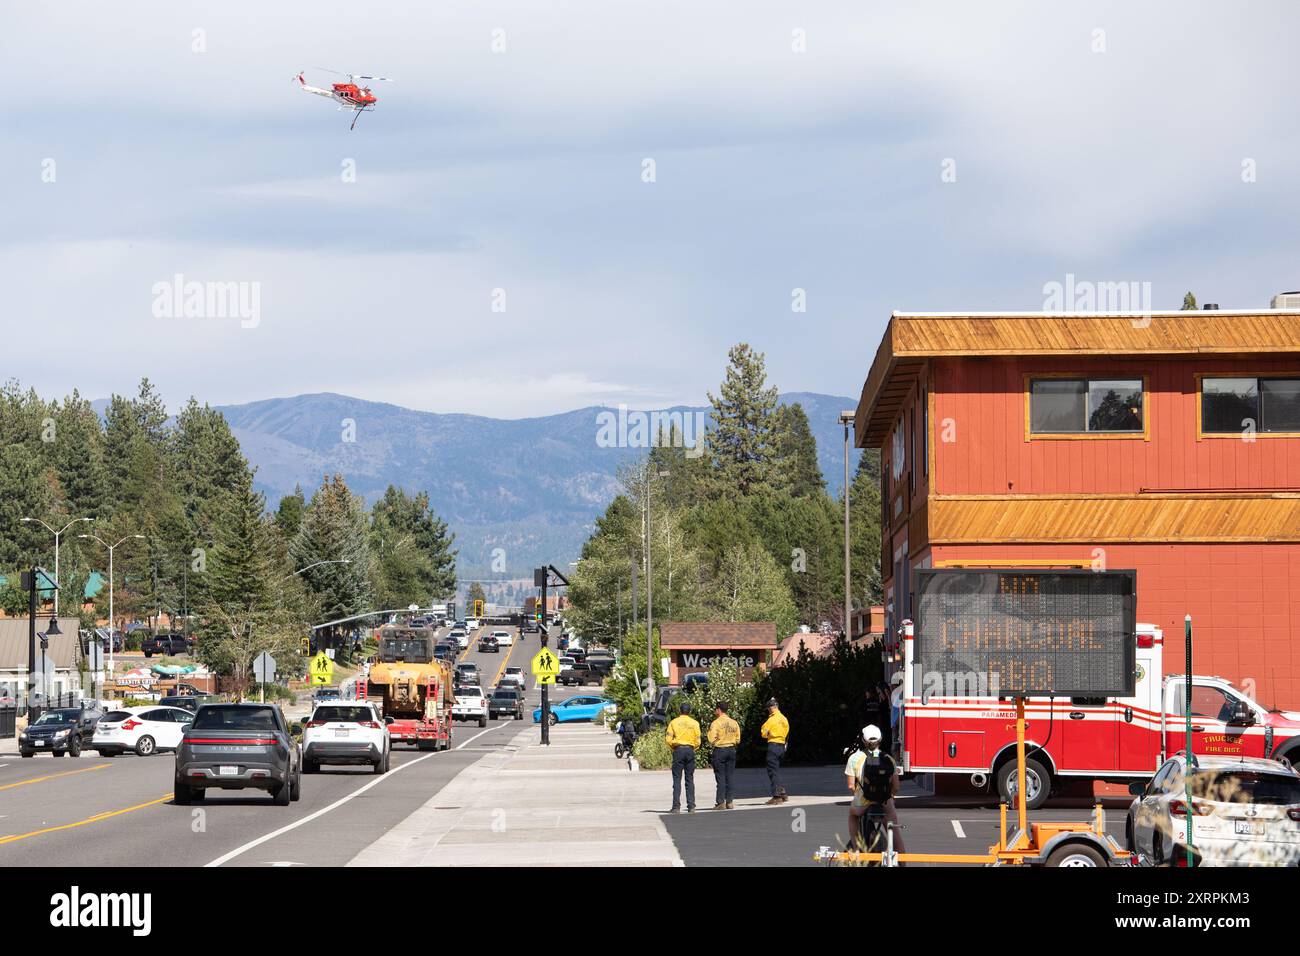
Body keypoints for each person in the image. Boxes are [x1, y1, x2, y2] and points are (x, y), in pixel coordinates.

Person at [844, 724, 907, 855]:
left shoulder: (854, 758)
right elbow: (896, 786)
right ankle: (902, 862)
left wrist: (859, 795)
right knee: (895, 835)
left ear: (863, 740)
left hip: (863, 802)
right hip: (884, 802)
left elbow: (851, 785)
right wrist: (890, 797)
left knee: (852, 816)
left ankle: (856, 849)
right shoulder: (888, 759)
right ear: (880, 740)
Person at [665, 701, 701, 813]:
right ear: (689, 712)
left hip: (678, 750)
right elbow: (698, 740)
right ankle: (691, 806)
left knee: (677, 779)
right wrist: (692, 748)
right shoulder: (695, 723)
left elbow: (668, 739)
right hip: (690, 750)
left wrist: (674, 748)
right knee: (689, 779)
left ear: (680, 711)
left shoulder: (674, 722)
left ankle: (676, 806)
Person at [707, 700, 740, 809]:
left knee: (720, 777)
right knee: (729, 776)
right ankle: (729, 801)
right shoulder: (734, 722)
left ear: (718, 710)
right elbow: (738, 739)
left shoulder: (716, 723)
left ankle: (720, 802)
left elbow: (711, 739)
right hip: (731, 750)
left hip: (720, 750)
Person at [760, 697, 789, 804]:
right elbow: (787, 732)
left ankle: (776, 796)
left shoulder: (771, 720)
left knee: (772, 771)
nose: (768, 711)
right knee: (776, 770)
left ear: (772, 708)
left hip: (773, 745)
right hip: (782, 745)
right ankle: (783, 793)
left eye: (768, 709)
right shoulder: (784, 719)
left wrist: (768, 733)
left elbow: (763, 733)